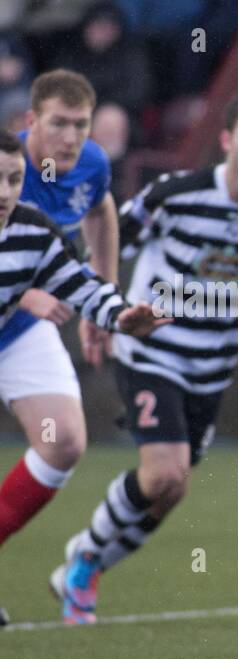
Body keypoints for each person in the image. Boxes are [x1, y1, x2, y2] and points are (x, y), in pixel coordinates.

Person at [51, 91, 238, 624]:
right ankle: (85, 561)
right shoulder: (177, 193)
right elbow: (106, 237)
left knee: (171, 490)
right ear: (227, 141)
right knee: (163, 472)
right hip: (150, 352)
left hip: (212, 374)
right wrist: (101, 310)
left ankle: (87, 564)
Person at [0, 127, 164, 624]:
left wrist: (119, 315)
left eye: (12, 180)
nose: (4, 193)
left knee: (65, 439)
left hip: (14, 334)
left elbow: (81, 284)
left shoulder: (31, 230)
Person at [0, 71, 121, 608]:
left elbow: (100, 210)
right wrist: (27, 294)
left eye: (81, 124)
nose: (71, 137)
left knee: (64, 440)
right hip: (22, 307)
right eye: (58, 124)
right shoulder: (9, 172)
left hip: (18, 333)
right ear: (30, 122)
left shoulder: (92, 164)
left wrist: (105, 290)